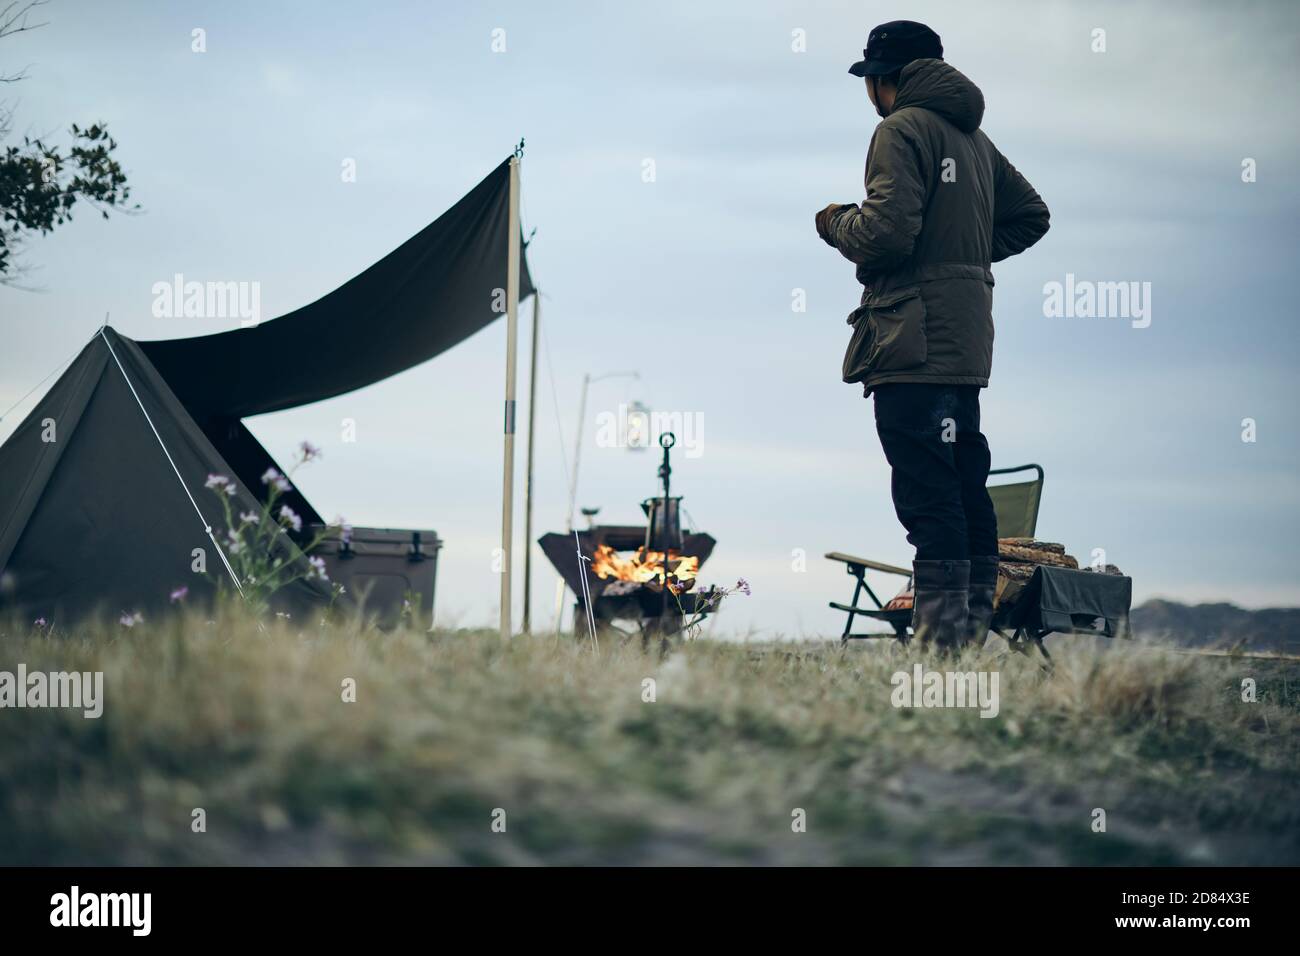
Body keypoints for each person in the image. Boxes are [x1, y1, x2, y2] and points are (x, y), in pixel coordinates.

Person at [815, 20, 1050, 650]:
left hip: (910, 340)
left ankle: (942, 645)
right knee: (965, 487)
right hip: (965, 343)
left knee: (926, 495)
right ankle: (967, 637)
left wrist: (834, 221)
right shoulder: (974, 138)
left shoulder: (900, 129)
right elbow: (1032, 216)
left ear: (883, 80)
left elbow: (884, 234)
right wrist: (963, 264)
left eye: (869, 80)